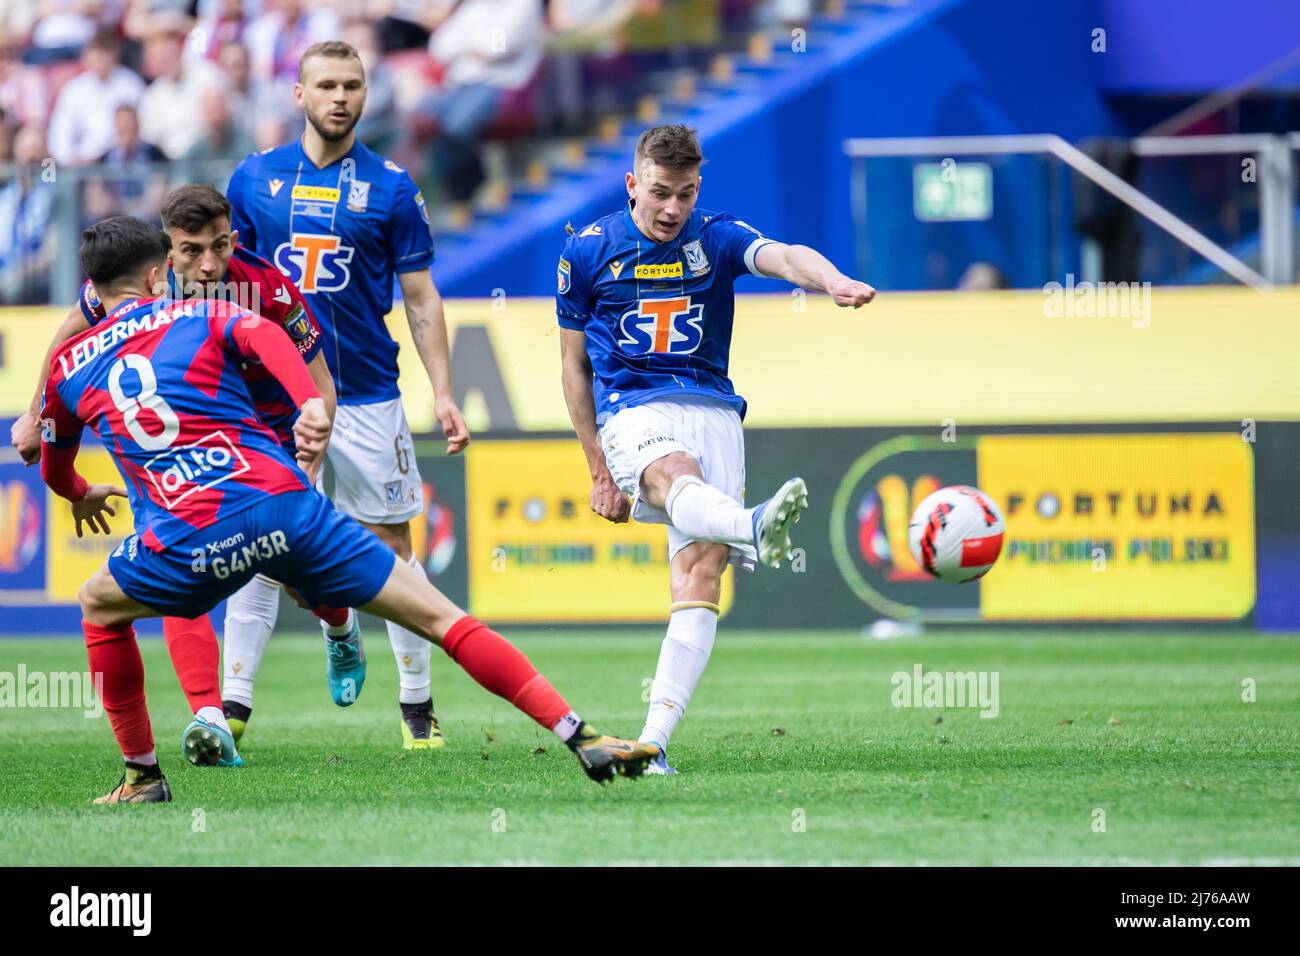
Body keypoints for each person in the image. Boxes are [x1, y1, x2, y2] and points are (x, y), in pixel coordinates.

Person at [40, 215, 659, 802]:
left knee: (100, 604)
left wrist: (78, 493)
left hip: (182, 538)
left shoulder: (68, 366)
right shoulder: (205, 312)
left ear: (92, 289)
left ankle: (143, 776)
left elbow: (54, 464)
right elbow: (265, 335)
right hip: (282, 507)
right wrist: (310, 403)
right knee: (442, 619)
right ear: (156, 277)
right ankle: (581, 734)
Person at [557, 125, 876, 773]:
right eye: (659, 193)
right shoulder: (587, 252)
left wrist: (832, 279)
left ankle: (653, 744)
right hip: (633, 407)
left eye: (686, 193)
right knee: (672, 475)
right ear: (631, 185)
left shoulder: (715, 236)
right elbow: (571, 366)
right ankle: (752, 524)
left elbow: (785, 257)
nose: (673, 208)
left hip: (715, 410)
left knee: (701, 579)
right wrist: (596, 467)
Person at [14, 184, 340, 766]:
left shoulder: (266, 286)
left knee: (297, 576)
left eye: (219, 247)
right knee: (176, 565)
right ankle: (209, 714)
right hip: (189, 449)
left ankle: (338, 628)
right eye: (192, 251)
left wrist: (309, 455)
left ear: (234, 239)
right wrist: (35, 412)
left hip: (271, 440)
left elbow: (319, 379)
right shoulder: (134, 287)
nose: (208, 264)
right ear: (167, 254)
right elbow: (68, 333)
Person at [225, 40, 471, 749]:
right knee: (257, 544)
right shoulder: (252, 180)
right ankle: (233, 711)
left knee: (391, 546)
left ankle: (418, 711)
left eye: (353, 86)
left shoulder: (394, 187)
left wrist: (445, 391)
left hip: (366, 395)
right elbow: (220, 280)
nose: (340, 97)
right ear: (298, 95)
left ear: (366, 96)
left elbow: (420, 297)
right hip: (273, 401)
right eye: (326, 85)